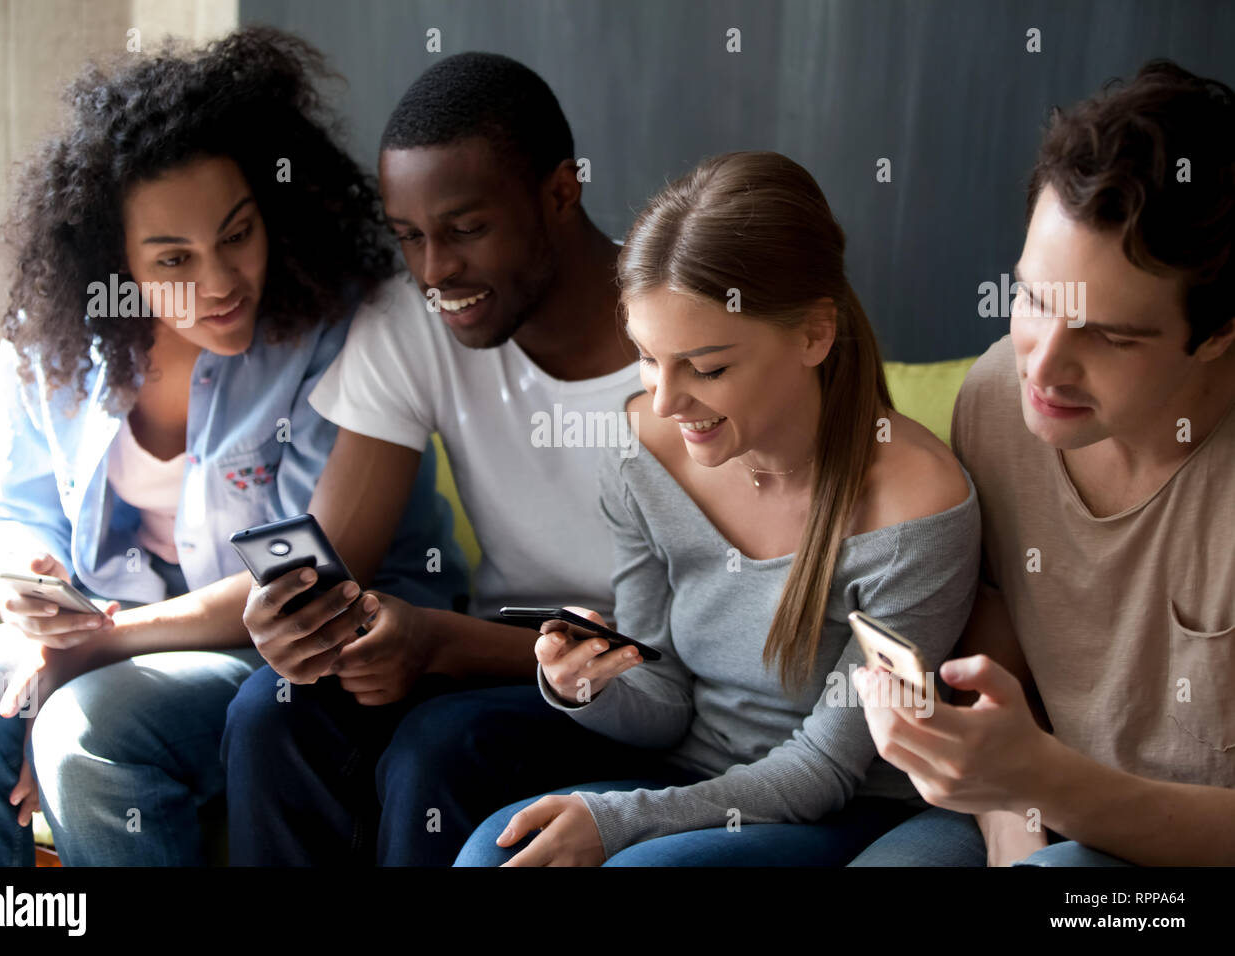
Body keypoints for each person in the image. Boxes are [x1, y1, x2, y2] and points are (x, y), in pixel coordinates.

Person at [0, 27, 465, 867]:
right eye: (173, 258)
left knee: (87, 732)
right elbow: (15, 512)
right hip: (110, 624)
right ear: (113, 260)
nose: (219, 283)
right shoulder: (53, 344)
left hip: (278, 647)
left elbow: (302, 574)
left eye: (238, 234)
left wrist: (94, 648)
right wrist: (24, 584)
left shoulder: (337, 329)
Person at [451, 150, 982, 866]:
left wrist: (622, 820)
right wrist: (585, 685)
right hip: (693, 776)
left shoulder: (915, 507)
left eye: (708, 367)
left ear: (813, 334)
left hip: (846, 805)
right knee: (493, 852)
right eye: (647, 357)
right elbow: (663, 701)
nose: (666, 402)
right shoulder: (646, 450)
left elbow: (825, 769)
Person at [221, 52, 650, 865]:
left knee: (441, 747)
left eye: (465, 230)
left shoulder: (685, 339)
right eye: (409, 237)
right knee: (272, 709)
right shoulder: (415, 321)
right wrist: (291, 621)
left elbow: (683, 651)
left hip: (648, 686)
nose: (434, 272)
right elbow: (336, 555)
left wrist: (439, 642)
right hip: (507, 659)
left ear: (562, 193)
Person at [850, 59, 1235, 867]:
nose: (1044, 366)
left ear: (1221, 331)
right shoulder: (998, 400)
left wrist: (1050, 794)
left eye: (1109, 336)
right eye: (1033, 299)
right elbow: (1003, 673)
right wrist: (1004, 808)